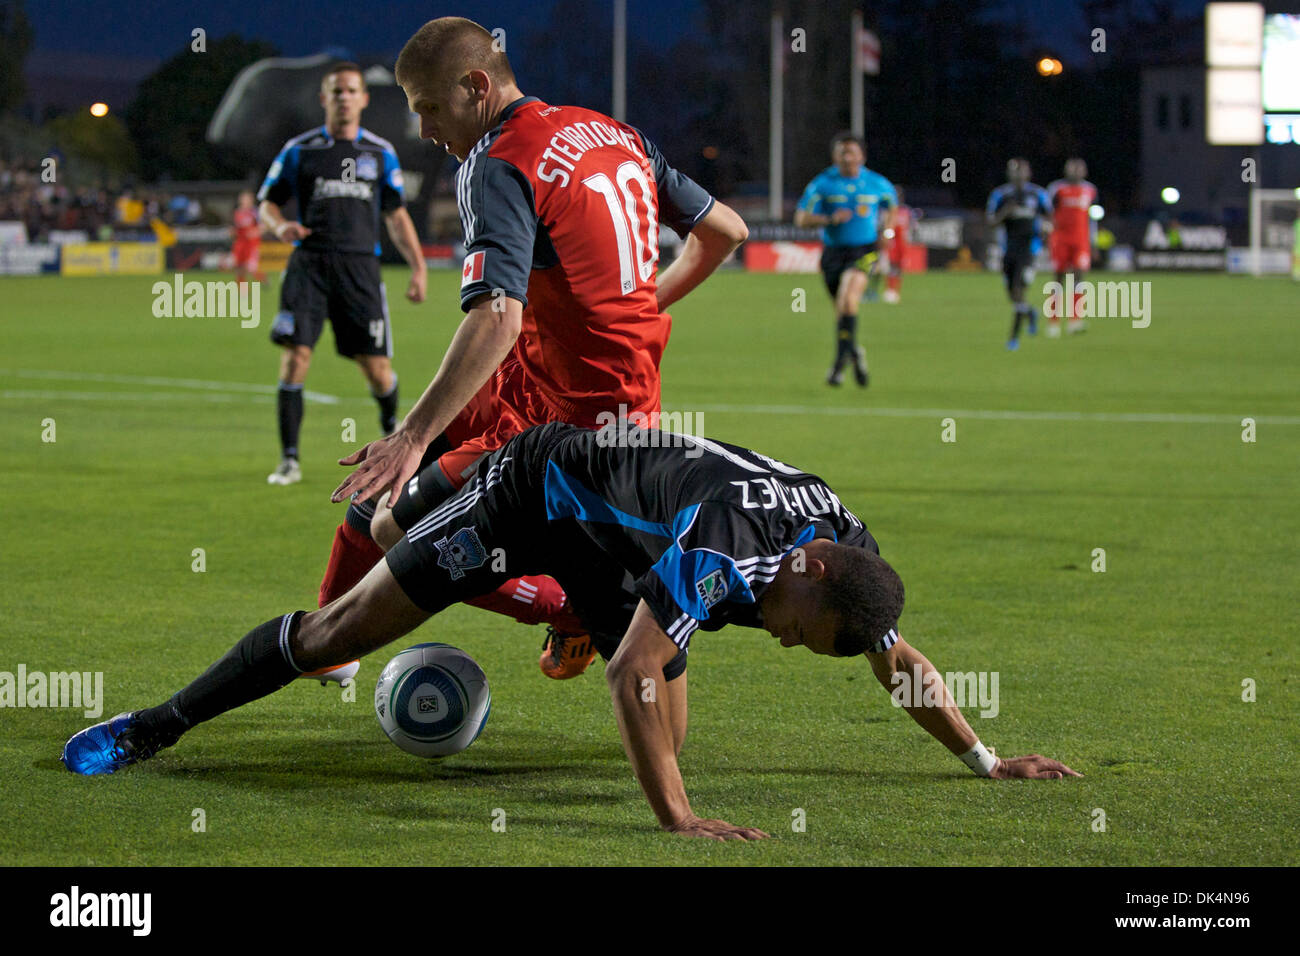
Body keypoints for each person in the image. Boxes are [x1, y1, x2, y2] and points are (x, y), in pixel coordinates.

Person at [62, 422, 1080, 839]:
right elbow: (636, 674)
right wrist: (677, 817)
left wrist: (984, 759)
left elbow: (894, 657)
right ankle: (158, 723)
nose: (781, 641)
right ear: (806, 571)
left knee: (663, 732)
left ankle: (565, 606)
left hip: (623, 535)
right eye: (794, 630)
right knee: (336, 629)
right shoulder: (726, 549)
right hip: (534, 490)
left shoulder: (845, 553)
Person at [314, 17, 749, 680]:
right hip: (570, 384)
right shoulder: (612, 133)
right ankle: (328, 644)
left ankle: (566, 604)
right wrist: (634, 308)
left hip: (572, 419)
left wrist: (409, 433)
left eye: (430, 109)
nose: (426, 131)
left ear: (476, 86)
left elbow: (496, 316)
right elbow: (725, 231)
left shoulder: (496, 160)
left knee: (397, 530)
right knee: (377, 492)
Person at [257, 62, 428, 486]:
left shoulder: (380, 153)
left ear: (363, 98)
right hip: (308, 266)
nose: (344, 98)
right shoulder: (300, 150)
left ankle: (395, 438)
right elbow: (267, 203)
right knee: (295, 358)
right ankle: (289, 460)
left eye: (351, 90)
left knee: (376, 369)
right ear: (324, 99)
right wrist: (281, 228)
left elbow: (396, 215)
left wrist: (419, 268)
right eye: (336, 92)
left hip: (359, 270)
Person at [794, 132, 897, 387]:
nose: (847, 157)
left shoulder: (877, 183)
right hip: (833, 254)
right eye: (842, 152)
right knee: (842, 310)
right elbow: (801, 218)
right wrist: (829, 219)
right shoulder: (823, 184)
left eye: (851, 152)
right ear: (834, 156)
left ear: (862, 155)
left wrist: (887, 231)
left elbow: (892, 206)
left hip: (864, 251)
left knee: (849, 300)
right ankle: (854, 353)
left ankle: (839, 364)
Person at [986, 159, 1052, 351]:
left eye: (1021, 171)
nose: (1018, 175)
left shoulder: (1037, 194)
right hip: (1009, 249)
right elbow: (991, 221)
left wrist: (1047, 232)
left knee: (1018, 290)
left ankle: (1013, 338)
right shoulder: (1001, 195)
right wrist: (1005, 212)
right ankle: (1030, 313)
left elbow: (1049, 215)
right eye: (1014, 171)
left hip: (1030, 250)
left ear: (1028, 173)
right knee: (1012, 295)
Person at [1046, 158, 1098, 335]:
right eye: (1072, 169)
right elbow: (1048, 214)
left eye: (1079, 169)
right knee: (1058, 279)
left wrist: (1094, 241)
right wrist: (1048, 236)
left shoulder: (1090, 190)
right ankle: (1053, 322)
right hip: (1060, 240)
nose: (1076, 172)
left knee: (1078, 279)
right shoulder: (1057, 189)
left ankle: (1075, 320)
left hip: (1081, 241)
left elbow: (1093, 218)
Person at [881, 187, 914, 304]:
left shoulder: (906, 210)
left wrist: (909, 238)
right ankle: (889, 290)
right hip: (892, 242)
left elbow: (911, 226)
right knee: (891, 266)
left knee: (899, 267)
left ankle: (896, 291)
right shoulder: (888, 210)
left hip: (903, 243)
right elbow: (885, 225)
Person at [229, 189, 264, 287]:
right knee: (238, 266)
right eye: (244, 199)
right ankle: (242, 289)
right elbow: (234, 228)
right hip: (240, 244)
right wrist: (232, 233)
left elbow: (263, 226)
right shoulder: (237, 212)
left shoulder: (255, 212)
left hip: (252, 243)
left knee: (251, 267)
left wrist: (256, 231)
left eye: (248, 199)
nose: (246, 201)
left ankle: (262, 278)